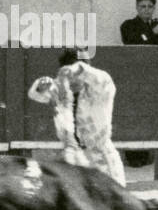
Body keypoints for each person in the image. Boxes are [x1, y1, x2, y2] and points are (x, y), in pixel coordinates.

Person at [27, 48, 124, 185]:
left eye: (80, 73)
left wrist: (79, 69)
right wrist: (41, 84)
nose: (76, 79)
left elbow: (101, 78)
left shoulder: (100, 88)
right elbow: (34, 94)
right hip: (72, 158)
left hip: (101, 158)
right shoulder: (60, 88)